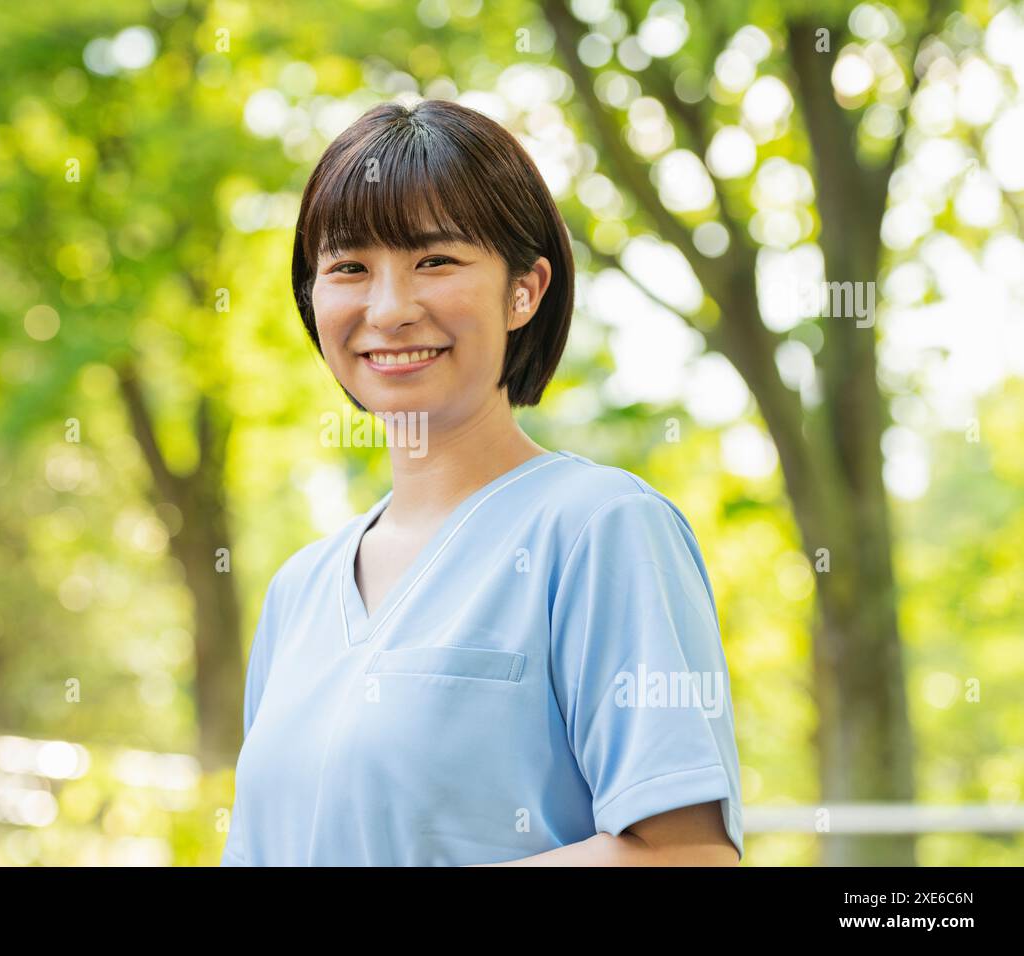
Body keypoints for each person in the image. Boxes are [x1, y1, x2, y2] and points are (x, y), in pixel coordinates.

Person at [220, 99, 743, 866]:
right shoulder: (298, 591)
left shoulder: (602, 529)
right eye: (349, 268)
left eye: (435, 261)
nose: (390, 309)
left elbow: (686, 857)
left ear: (525, 290)